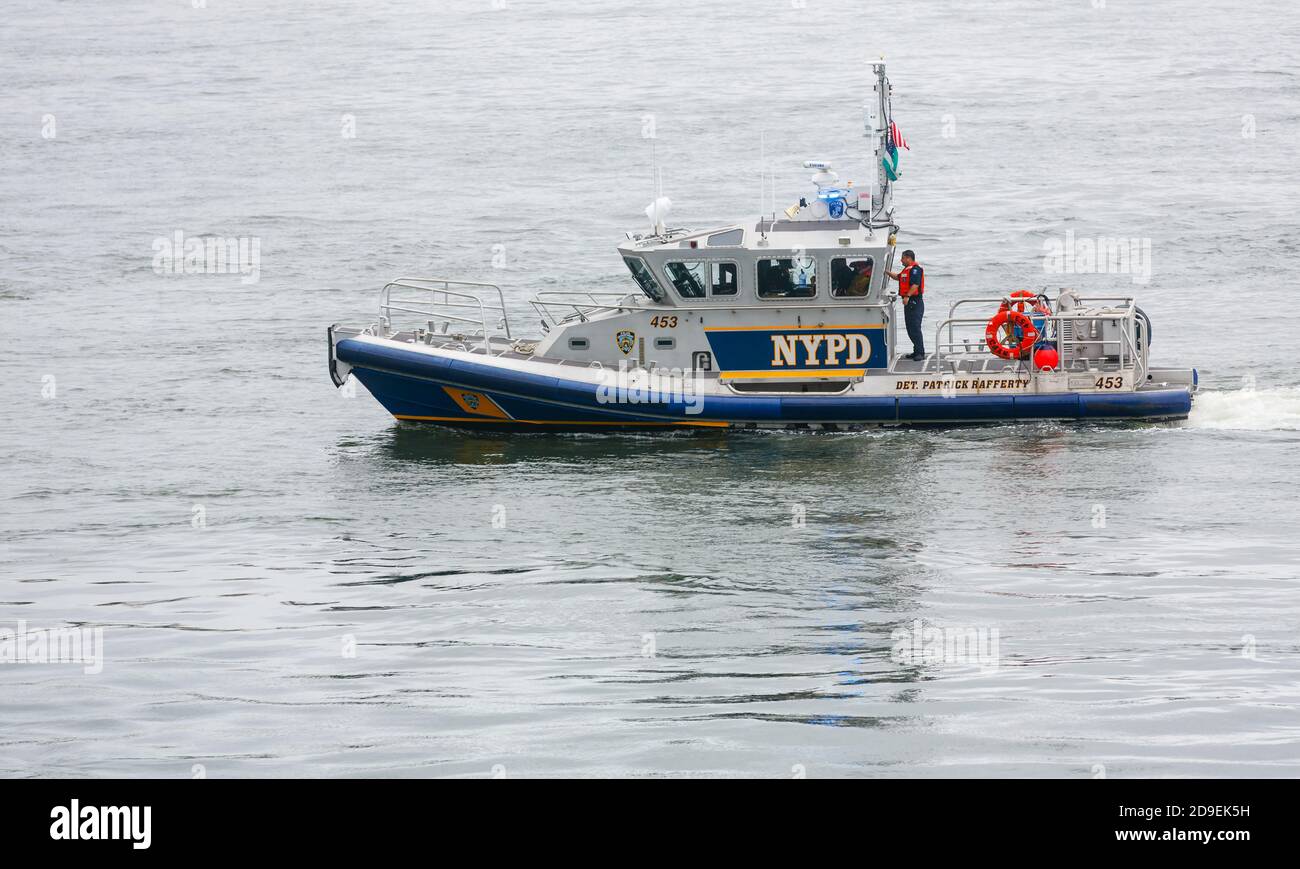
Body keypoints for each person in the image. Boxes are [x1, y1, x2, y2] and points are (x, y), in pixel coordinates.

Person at [887, 249, 925, 360]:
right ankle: (916, 350)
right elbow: (897, 277)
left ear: (908, 258)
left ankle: (920, 353)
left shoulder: (915, 270)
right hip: (909, 302)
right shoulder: (906, 270)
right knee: (910, 327)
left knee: (915, 327)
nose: (901, 260)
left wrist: (907, 296)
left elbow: (915, 285)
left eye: (903, 258)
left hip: (914, 301)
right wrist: (886, 272)